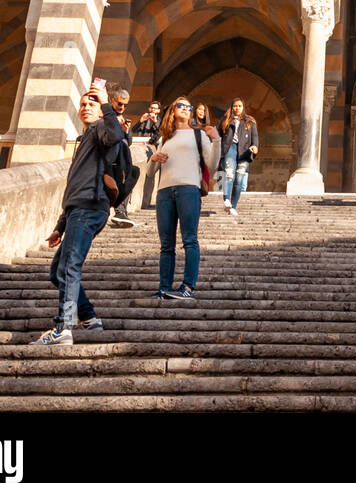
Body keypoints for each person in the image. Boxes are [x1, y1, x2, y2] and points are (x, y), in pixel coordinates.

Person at [30, 84, 124, 345]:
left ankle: (62, 328)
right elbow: (75, 184)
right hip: (77, 209)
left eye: (91, 104)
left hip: (89, 207)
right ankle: (89, 318)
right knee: (56, 272)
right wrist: (60, 225)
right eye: (83, 104)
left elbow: (116, 135)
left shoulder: (101, 130)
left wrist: (106, 105)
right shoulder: (85, 138)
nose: (86, 107)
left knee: (69, 267)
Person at [146, 97, 220, 300]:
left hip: (189, 189)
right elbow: (151, 173)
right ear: (172, 110)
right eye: (182, 105)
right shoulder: (165, 137)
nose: (187, 109)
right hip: (164, 192)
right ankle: (164, 287)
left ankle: (187, 286)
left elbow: (212, 167)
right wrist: (153, 159)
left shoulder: (198, 134)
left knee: (189, 239)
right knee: (166, 244)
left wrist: (217, 140)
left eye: (189, 107)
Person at [106, 85, 140, 228]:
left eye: (125, 105)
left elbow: (129, 141)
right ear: (113, 101)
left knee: (133, 172)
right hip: (109, 160)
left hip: (122, 160)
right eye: (119, 103)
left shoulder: (124, 120)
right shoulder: (106, 116)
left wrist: (125, 132)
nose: (122, 107)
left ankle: (121, 211)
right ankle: (118, 211)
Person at [219, 98, 259, 216]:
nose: (237, 108)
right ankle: (226, 199)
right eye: (235, 106)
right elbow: (217, 134)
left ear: (243, 107)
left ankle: (233, 206)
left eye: (240, 106)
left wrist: (255, 146)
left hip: (244, 151)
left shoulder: (249, 121)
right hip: (230, 148)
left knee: (240, 179)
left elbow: (255, 136)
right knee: (229, 173)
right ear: (232, 107)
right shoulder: (226, 119)